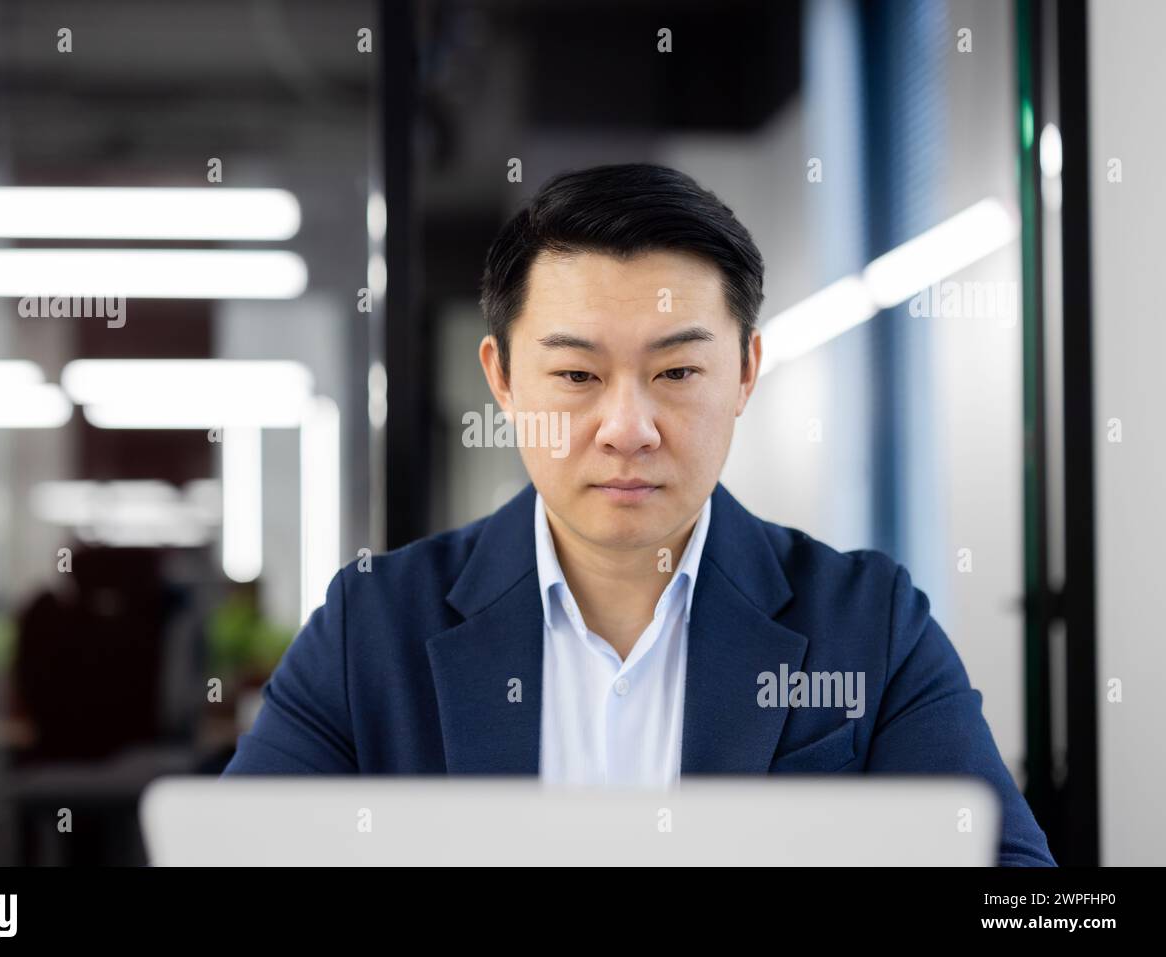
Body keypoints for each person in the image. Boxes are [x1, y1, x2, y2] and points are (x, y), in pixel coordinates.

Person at [223, 162, 1056, 867]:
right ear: (504, 381)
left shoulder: (871, 625)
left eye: (677, 372)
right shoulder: (370, 627)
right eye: (578, 377)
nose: (628, 429)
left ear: (744, 371)